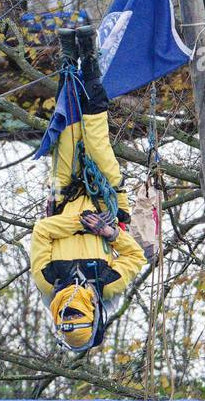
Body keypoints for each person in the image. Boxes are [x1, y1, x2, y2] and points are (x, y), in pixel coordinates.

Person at [31, 26, 147, 352]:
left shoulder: (48, 279)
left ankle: (69, 58)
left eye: (64, 311)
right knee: (95, 133)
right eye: (76, 312)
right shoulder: (109, 284)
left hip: (64, 195)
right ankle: (90, 61)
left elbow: (42, 233)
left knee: (68, 131)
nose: (69, 303)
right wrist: (110, 234)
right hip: (106, 197)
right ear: (93, 314)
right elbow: (135, 255)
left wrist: (78, 221)